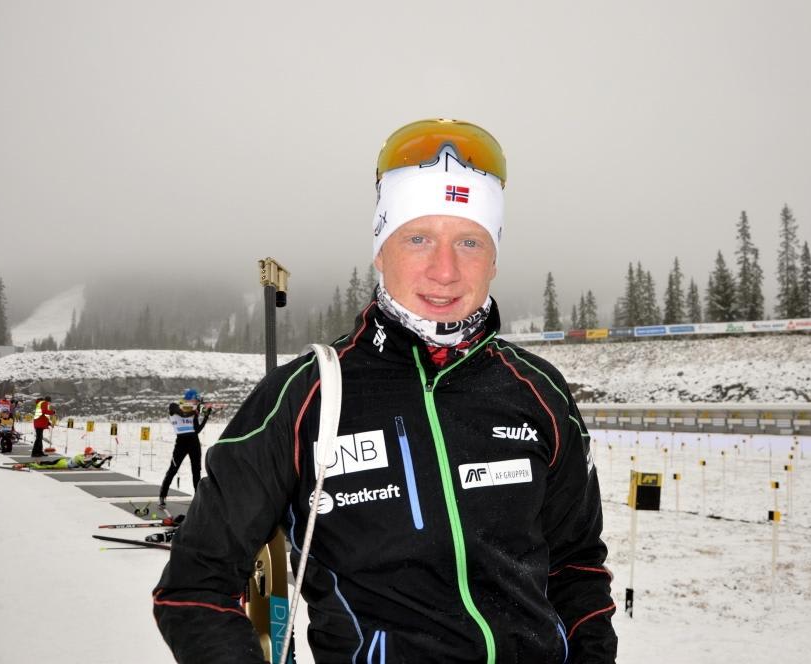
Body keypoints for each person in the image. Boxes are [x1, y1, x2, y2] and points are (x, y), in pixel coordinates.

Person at [153, 119, 617, 663]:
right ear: (380, 250)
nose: (444, 271)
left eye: (469, 242)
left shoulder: (538, 392)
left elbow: (577, 567)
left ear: (494, 259)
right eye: (418, 239)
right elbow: (194, 588)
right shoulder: (306, 397)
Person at [158, 388, 212, 509]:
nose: (196, 402)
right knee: (173, 470)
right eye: (195, 400)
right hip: (181, 443)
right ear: (189, 399)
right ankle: (162, 496)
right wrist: (196, 410)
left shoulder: (194, 412)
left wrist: (206, 416)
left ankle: (198, 499)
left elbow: (196, 430)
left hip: (194, 442)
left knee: (196, 471)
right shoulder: (174, 407)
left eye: (197, 401)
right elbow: (183, 413)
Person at [15, 446, 110, 470]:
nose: (92, 455)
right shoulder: (80, 457)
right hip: (63, 464)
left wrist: (105, 459)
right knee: (46, 466)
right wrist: (94, 459)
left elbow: (97, 466)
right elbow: (84, 465)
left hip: (64, 461)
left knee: (48, 463)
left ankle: (38, 462)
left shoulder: (87, 458)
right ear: (87, 454)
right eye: (91, 454)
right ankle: (24, 465)